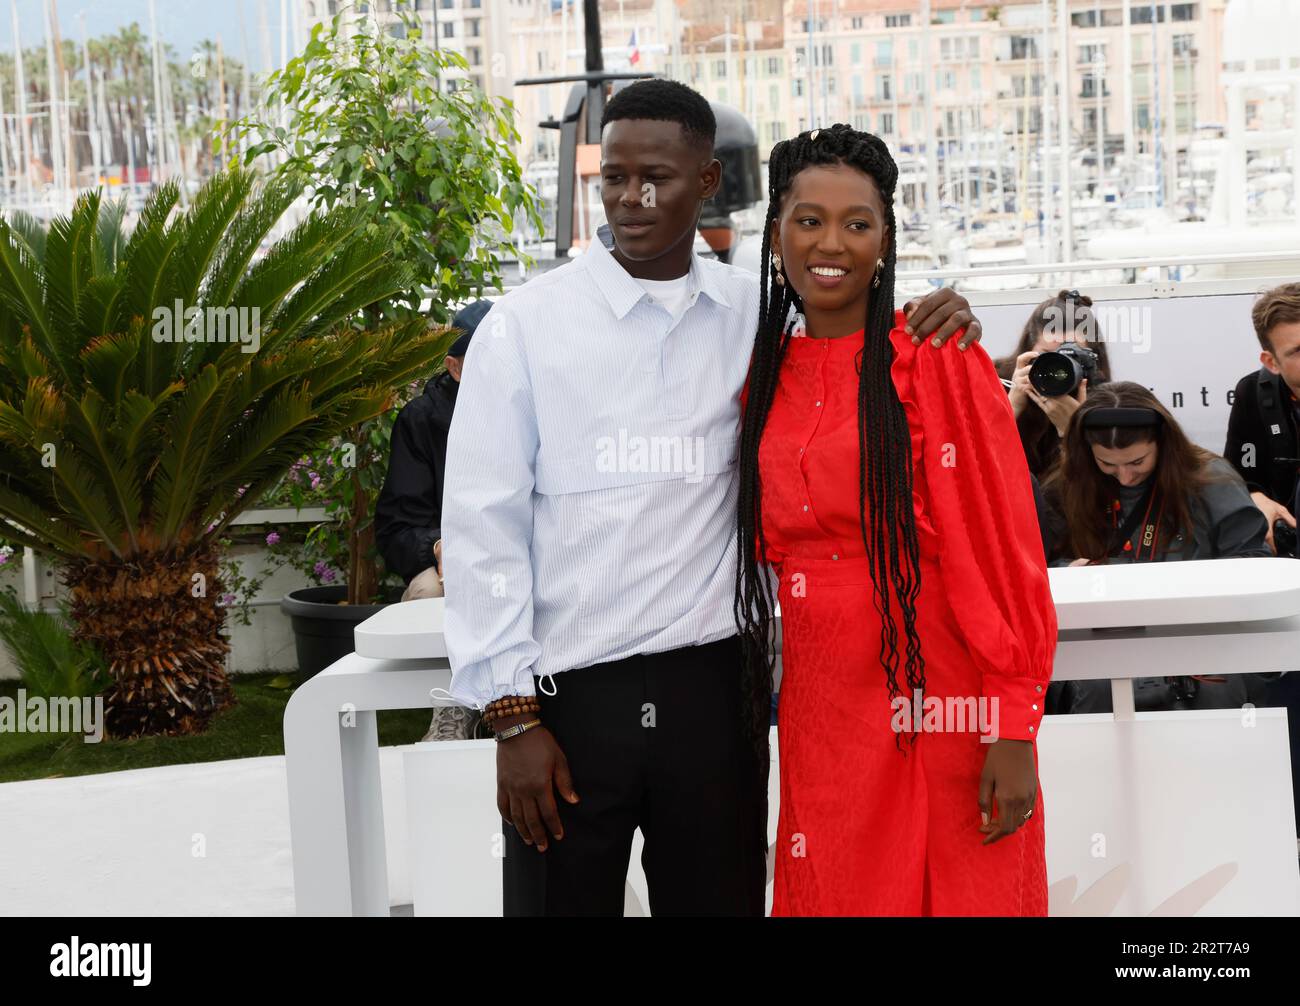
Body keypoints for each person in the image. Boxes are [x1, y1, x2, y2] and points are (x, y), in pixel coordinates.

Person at [440, 80, 985, 917]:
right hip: (564, 704)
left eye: (654, 175)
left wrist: (937, 314)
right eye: (613, 177)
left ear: (705, 183)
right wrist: (510, 717)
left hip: (714, 694)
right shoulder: (523, 328)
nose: (631, 196)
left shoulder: (759, 315)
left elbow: (854, 327)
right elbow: (483, 528)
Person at [735, 123, 1057, 916]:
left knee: (960, 886)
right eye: (808, 220)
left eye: (857, 222)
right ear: (777, 233)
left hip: (938, 684)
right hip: (818, 698)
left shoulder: (937, 358)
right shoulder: (760, 374)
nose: (831, 243)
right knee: (836, 882)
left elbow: (1002, 544)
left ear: (885, 240)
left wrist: (1013, 725)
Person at [1042, 381, 1273, 713]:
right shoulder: (1069, 486)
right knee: (1094, 693)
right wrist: (1067, 574)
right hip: (1101, 646)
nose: (1124, 476)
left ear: (1163, 443)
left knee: (1218, 693)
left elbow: (1253, 564)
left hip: (1199, 639)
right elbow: (1036, 567)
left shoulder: (1209, 480)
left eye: (1136, 462)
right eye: (1107, 464)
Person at [376, 299, 492, 742]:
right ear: (453, 367)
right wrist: (439, 545)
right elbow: (395, 525)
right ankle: (450, 707)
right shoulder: (421, 421)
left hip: (522, 550)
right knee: (427, 590)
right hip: (453, 561)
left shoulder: (536, 408)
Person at [995, 290, 1112, 481]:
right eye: (1048, 355)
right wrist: (1012, 406)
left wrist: (1074, 431)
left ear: (1093, 359)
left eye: (1072, 356)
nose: (1060, 368)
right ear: (1028, 349)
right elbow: (974, 463)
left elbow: (1094, 490)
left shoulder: (1105, 401)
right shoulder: (996, 380)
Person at [1223, 281, 1300, 553]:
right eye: (1298, 351)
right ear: (1271, 362)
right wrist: (1255, 497)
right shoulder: (1254, 394)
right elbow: (1237, 475)